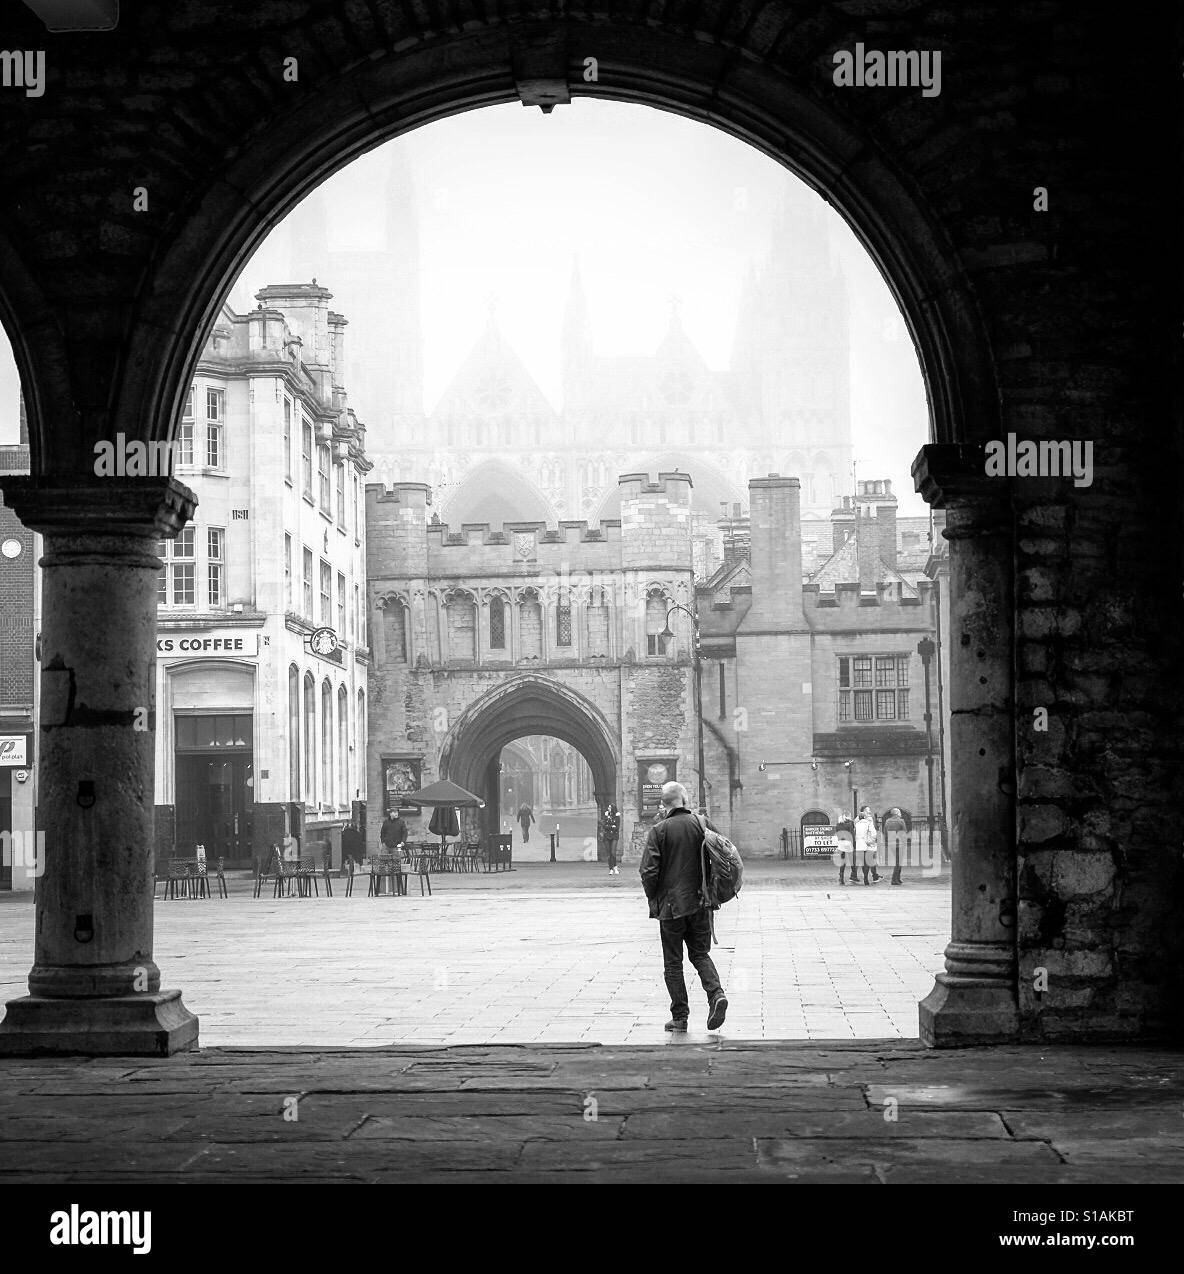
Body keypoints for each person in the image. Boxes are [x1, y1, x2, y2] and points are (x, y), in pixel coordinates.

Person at [639, 782, 728, 1033]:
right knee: (700, 954)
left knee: (673, 962)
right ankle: (716, 995)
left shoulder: (659, 830)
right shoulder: (702, 824)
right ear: (684, 799)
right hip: (700, 902)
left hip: (670, 906)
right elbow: (723, 853)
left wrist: (654, 897)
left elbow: (648, 871)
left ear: (664, 804)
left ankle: (680, 1017)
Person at [855, 804, 881, 885]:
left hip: (859, 845)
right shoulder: (869, 821)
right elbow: (873, 834)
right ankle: (871, 877)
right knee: (869, 861)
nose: (869, 811)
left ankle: (867, 877)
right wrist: (873, 841)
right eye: (867, 810)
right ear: (863, 812)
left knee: (863, 863)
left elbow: (855, 833)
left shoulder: (857, 823)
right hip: (868, 845)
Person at [883, 807, 907, 885]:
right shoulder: (901, 821)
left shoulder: (887, 821)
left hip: (891, 844)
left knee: (898, 861)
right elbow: (904, 832)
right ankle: (894, 879)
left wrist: (887, 841)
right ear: (897, 813)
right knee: (898, 862)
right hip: (900, 844)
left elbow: (885, 832)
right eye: (899, 812)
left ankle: (898, 878)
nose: (900, 813)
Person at [834, 810, 857, 886]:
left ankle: (841, 877)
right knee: (852, 860)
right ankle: (854, 875)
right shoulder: (850, 823)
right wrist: (854, 844)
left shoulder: (838, 825)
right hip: (848, 843)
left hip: (841, 844)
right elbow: (852, 834)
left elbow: (837, 835)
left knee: (842, 861)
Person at [600, 802, 622, 875]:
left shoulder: (617, 816)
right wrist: (611, 826)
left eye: (609, 807)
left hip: (614, 836)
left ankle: (615, 867)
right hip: (607, 836)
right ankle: (610, 869)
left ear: (612, 809)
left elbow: (617, 827)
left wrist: (609, 826)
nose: (608, 809)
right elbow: (604, 825)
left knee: (613, 852)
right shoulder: (606, 816)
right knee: (609, 854)